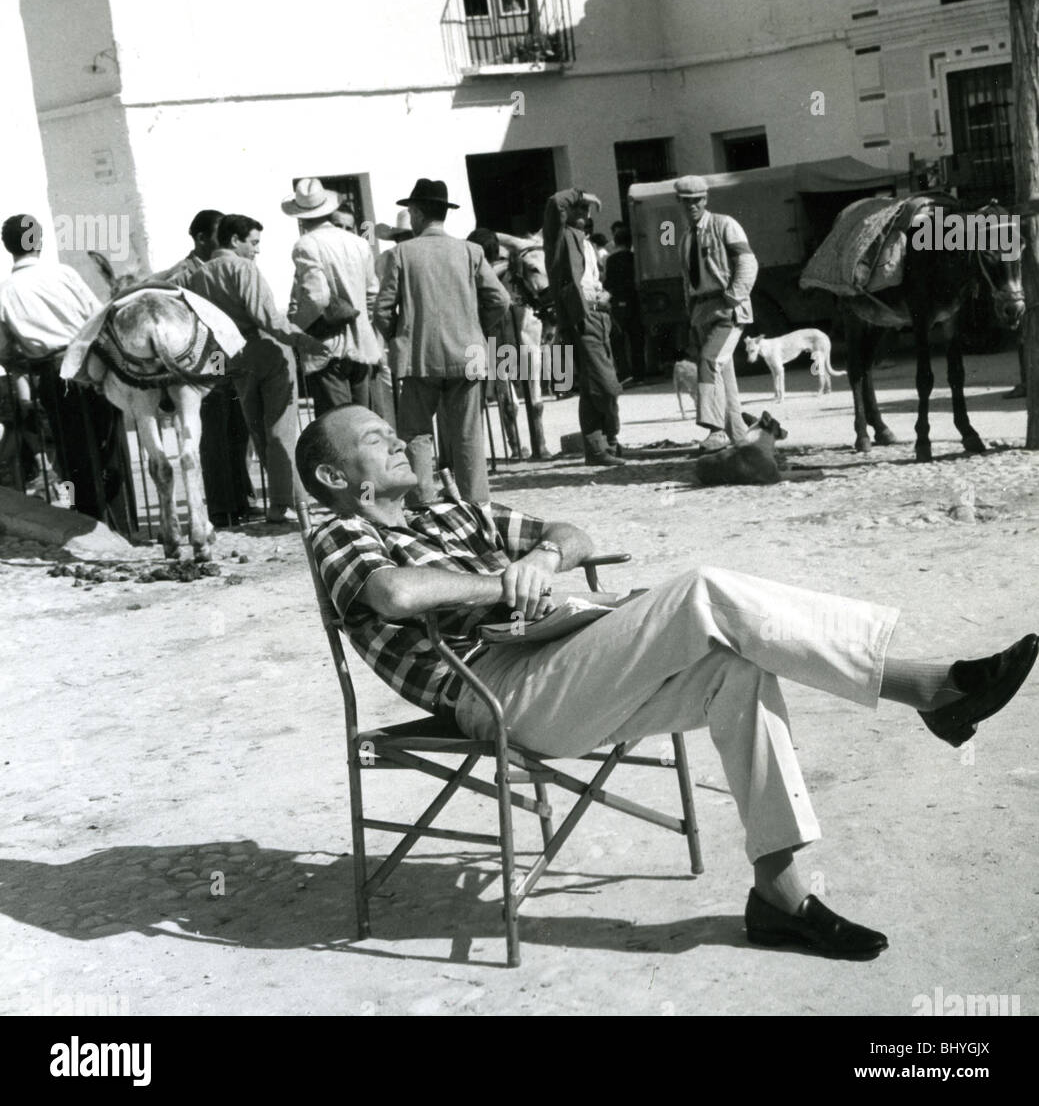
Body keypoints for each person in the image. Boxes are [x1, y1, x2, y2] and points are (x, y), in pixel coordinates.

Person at [299, 404, 1038, 960]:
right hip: (493, 695)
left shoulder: (452, 512)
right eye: (372, 439)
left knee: (736, 667)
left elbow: (572, 535)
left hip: (562, 657)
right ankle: (928, 687)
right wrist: (498, 581)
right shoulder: (338, 530)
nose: (396, 440)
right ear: (336, 477)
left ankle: (778, 895)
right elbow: (392, 594)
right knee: (702, 591)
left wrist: (544, 562)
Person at [373, 179, 510, 506]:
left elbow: (381, 309)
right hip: (470, 355)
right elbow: (501, 300)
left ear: (417, 213)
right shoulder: (471, 251)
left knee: (416, 434)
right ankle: (478, 505)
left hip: (420, 357)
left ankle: (422, 504)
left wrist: (399, 335)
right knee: (467, 433)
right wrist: (475, 326)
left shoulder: (400, 254)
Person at [186, 213, 323, 523]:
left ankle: (282, 503)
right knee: (281, 430)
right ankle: (289, 503)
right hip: (269, 352)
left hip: (235, 359)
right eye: (253, 243)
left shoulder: (199, 277)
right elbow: (267, 318)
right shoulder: (243, 268)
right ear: (235, 241)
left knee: (259, 432)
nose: (257, 250)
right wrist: (304, 341)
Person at [0, 213, 133, 530]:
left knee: (73, 454)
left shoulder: (5, 290)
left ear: (7, 247)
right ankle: (124, 525)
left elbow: (4, 349)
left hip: (53, 373)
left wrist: (23, 358)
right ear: (39, 241)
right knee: (111, 447)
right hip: (93, 363)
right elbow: (98, 316)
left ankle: (91, 525)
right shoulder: (65, 275)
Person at [155, 208, 254, 524]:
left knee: (238, 432)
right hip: (204, 360)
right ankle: (221, 507)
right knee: (213, 432)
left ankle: (241, 498)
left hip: (231, 358)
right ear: (200, 238)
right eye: (217, 233)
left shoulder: (227, 265)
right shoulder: (181, 275)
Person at [283, 178, 381, 417]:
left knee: (337, 423)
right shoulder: (359, 243)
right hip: (362, 346)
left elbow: (317, 297)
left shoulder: (306, 244)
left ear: (301, 216)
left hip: (327, 348)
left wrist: (298, 328)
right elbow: (372, 294)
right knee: (361, 420)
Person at [675, 175, 758, 453]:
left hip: (726, 309)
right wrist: (691, 313)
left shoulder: (725, 225)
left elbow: (748, 263)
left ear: (705, 199)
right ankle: (740, 438)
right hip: (701, 311)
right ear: (680, 203)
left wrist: (732, 297)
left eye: (697, 200)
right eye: (686, 202)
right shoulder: (686, 237)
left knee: (709, 363)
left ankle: (716, 430)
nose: (692, 206)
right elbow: (687, 280)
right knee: (723, 375)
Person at [543, 187, 623, 466]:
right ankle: (610, 439)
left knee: (593, 387)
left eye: (586, 209)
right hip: (581, 317)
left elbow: (594, 279)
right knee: (607, 386)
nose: (584, 213)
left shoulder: (586, 243)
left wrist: (606, 295)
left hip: (600, 315)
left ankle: (598, 449)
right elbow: (555, 202)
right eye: (578, 207)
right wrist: (582, 193)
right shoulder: (558, 237)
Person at [603, 224, 645, 385]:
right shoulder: (635, 258)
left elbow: (609, 282)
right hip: (634, 299)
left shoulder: (612, 259)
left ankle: (625, 373)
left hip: (618, 302)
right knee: (637, 338)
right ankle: (639, 374)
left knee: (618, 338)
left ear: (616, 242)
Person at [153, 208, 224, 285]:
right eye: (221, 237)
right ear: (201, 239)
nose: (228, 243)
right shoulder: (180, 279)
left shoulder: (226, 269)